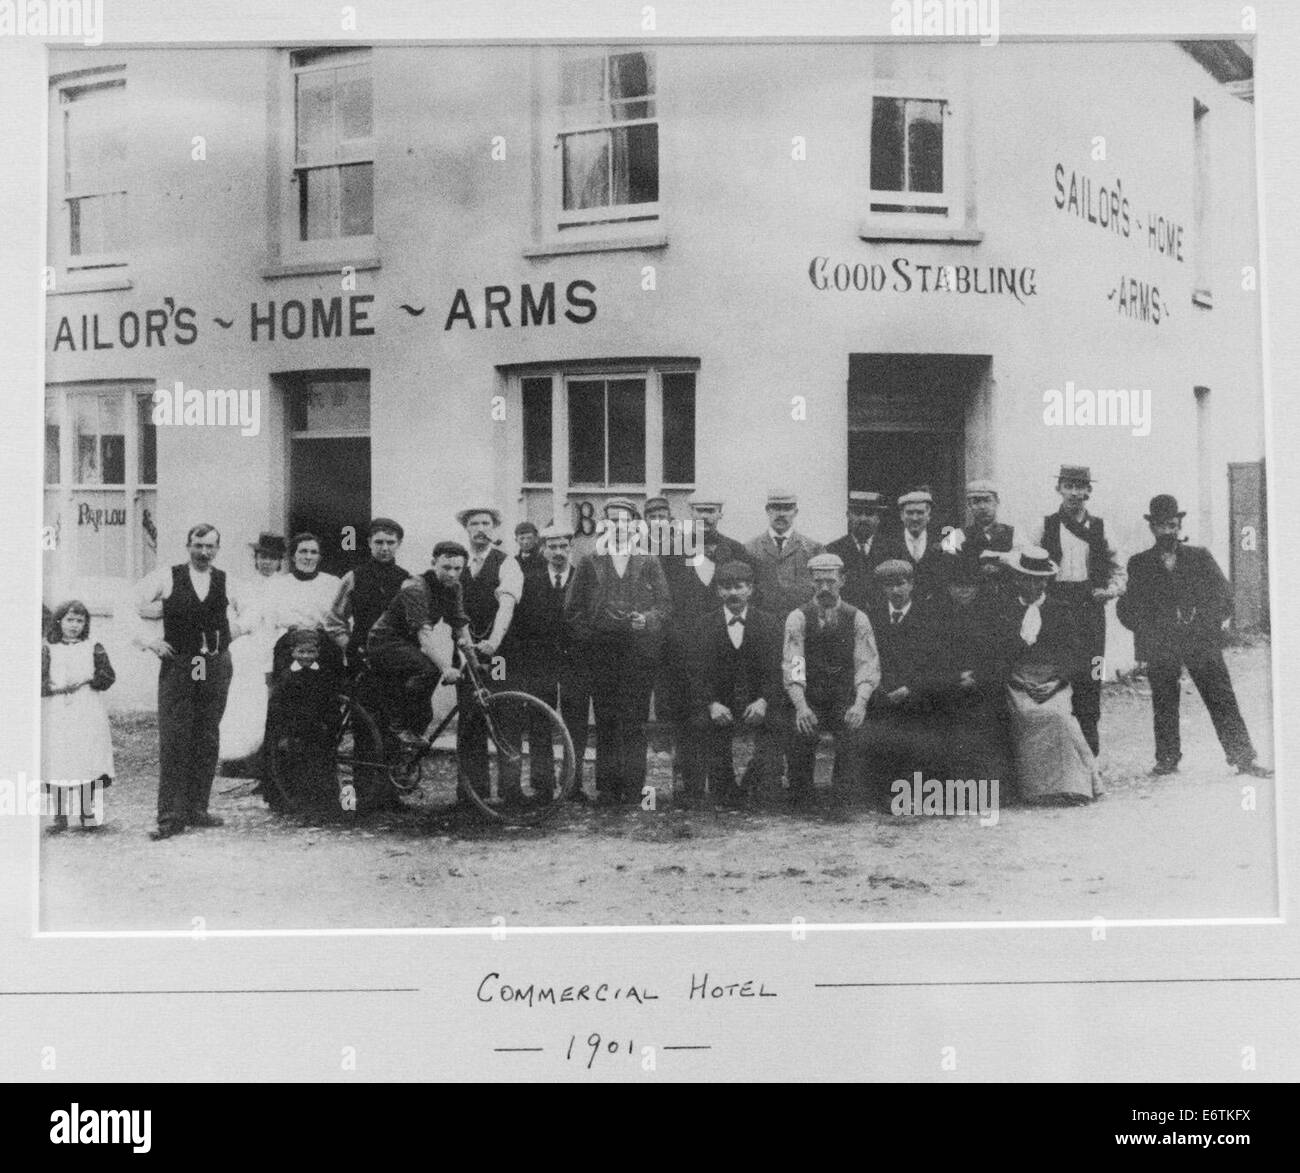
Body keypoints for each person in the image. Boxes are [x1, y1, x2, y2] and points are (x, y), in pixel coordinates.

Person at [1117, 494, 1271, 777]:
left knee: (1221, 696)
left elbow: (1224, 597)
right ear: (1152, 528)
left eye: (1172, 525)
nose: (1168, 531)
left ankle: (1243, 758)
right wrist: (1151, 630)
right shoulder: (1139, 564)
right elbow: (1128, 608)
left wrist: (1203, 623)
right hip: (1162, 644)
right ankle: (1167, 758)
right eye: (1162, 526)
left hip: (1200, 640)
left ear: (1179, 525)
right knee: (1163, 700)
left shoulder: (1199, 557)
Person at [135, 523, 253, 839]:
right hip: (181, 663)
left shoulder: (227, 581)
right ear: (188, 545)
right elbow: (129, 605)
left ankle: (197, 809)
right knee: (176, 736)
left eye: (210, 546)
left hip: (213, 663)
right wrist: (150, 642)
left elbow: (255, 611)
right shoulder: (166, 576)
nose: (204, 552)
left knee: (206, 734)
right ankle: (170, 817)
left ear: (217, 548)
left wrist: (234, 631)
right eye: (198, 546)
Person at [564, 497, 672, 806]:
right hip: (602, 653)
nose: (617, 527)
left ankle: (635, 788)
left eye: (624, 521)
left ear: (635, 525)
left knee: (635, 721)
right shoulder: (590, 561)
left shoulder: (648, 560)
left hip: (637, 653)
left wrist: (646, 620)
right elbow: (572, 610)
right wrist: (593, 634)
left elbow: (665, 607)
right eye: (610, 521)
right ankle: (608, 789)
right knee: (607, 720)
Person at [860, 560, 973, 810]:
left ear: (911, 585)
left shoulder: (931, 616)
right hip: (883, 693)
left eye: (901, 584)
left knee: (926, 726)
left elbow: (942, 664)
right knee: (879, 725)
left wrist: (911, 688)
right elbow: (866, 658)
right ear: (882, 588)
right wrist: (880, 688)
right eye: (889, 585)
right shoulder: (872, 618)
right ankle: (886, 791)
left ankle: (924, 791)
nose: (896, 591)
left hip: (921, 694)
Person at [1034, 465, 1126, 757]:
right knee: (1054, 675)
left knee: (1091, 675)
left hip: (1090, 610)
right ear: (1058, 488)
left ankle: (1089, 755)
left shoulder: (1101, 527)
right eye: (1068, 486)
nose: (1074, 492)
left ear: (1089, 491)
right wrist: (1038, 595)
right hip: (1055, 609)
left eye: (1080, 487)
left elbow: (1119, 568)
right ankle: (1056, 758)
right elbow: (1025, 562)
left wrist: (1110, 590)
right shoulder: (1044, 525)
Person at [999, 547, 1100, 805]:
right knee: (1025, 714)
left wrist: (1056, 681)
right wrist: (1018, 680)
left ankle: (1068, 785)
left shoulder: (1061, 610)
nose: (1034, 584)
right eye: (1028, 578)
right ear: (1018, 579)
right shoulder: (1006, 610)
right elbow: (999, 653)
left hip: (1053, 682)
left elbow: (1074, 653)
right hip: (1017, 682)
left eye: (1040, 579)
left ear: (1047, 580)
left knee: (1058, 716)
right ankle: (1033, 788)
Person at [779, 552, 879, 805]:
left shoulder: (858, 618)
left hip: (844, 697)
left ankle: (842, 796)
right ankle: (802, 796)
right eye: (819, 581)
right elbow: (794, 665)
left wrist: (860, 703)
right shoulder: (798, 618)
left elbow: (866, 664)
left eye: (831, 581)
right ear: (810, 582)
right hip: (810, 696)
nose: (825, 587)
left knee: (856, 730)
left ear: (842, 580)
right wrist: (801, 707)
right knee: (799, 729)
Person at [685, 561, 785, 808]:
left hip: (758, 702)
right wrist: (711, 704)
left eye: (739, 587)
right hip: (721, 704)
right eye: (726, 587)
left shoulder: (770, 623)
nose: (732, 593)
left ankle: (759, 781)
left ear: (750, 589)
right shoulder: (703, 625)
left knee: (779, 723)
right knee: (700, 724)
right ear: (718, 591)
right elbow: (695, 672)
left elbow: (778, 669)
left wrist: (763, 701)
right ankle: (724, 789)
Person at [512, 524, 592, 801]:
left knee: (576, 724)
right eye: (553, 547)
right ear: (543, 549)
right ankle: (542, 785)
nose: (558, 552)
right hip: (540, 662)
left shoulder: (584, 578)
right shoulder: (530, 580)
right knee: (539, 721)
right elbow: (520, 624)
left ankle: (572, 783)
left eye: (563, 547)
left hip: (575, 662)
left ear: (571, 549)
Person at [366, 541, 473, 745]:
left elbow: (460, 624)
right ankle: (398, 725)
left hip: (407, 644)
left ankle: (407, 740)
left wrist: (474, 662)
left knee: (424, 699)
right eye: (446, 567)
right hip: (384, 643)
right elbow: (424, 635)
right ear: (434, 563)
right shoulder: (415, 587)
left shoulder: (454, 587)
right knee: (430, 670)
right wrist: (446, 668)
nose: (452, 574)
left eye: (457, 569)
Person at [455, 506, 526, 806]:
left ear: (495, 527)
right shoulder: (456, 563)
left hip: (498, 656)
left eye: (486, 523)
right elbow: (452, 610)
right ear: (467, 529)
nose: (480, 528)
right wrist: (467, 646)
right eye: (474, 524)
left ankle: (511, 791)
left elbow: (506, 604)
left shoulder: (506, 563)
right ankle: (473, 794)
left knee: (505, 714)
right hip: (463, 651)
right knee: (469, 717)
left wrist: (493, 642)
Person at [41, 600, 116, 832]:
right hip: (57, 709)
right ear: (59, 621)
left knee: (86, 758)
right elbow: (37, 680)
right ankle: (59, 816)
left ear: (86, 623)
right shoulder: (47, 648)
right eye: (70, 620)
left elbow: (108, 676)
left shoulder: (94, 646)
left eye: (79, 621)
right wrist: (55, 687)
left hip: (87, 707)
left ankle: (86, 812)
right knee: (58, 759)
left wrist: (88, 680)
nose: (74, 625)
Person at [218, 532, 284, 773]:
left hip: (276, 646)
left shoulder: (284, 586)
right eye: (263, 557)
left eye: (273, 558)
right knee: (243, 701)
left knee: (271, 702)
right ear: (256, 559)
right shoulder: (242, 587)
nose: (267, 562)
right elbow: (232, 616)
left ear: (280, 561)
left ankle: (268, 760)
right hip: (248, 649)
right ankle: (237, 757)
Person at [324, 518, 411, 672]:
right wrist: (350, 647)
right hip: (363, 658)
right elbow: (334, 621)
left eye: (390, 542)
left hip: (398, 659)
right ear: (370, 542)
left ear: (399, 543)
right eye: (379, 542)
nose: (384, 548)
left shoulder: (408, 580)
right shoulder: (353, 577)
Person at [745, 488, 824, 619]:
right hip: (764, 624)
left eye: (787, 509)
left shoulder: (813, 549)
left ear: (795, 512)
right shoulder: (750, 549)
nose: (781, 514)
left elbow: (821, 591)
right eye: (776, 508)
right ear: (767, 510)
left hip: (803, 622)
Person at [940, 480, 1016, 598]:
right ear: (968, 506)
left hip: (1008, 600)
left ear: (997, 502)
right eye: (976, 502)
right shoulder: (956, 536)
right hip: (972, 602)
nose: (982, 507)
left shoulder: (1014, 533)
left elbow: (1022, 564)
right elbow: (948, 569)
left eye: (987, 500)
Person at [875, 487, 949, 604]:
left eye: (920, 513)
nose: (915, 518)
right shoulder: (887, 544)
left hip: (934, 610)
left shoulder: (942, 542)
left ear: (928, 516)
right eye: (909, 513)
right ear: (901, 516)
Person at [825, 490, 889, 610]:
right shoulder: (832, 551)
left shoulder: (893, 550)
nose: (863, 519)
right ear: (848, 515)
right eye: (857, 513)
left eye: (869, 513)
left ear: (878, 518)